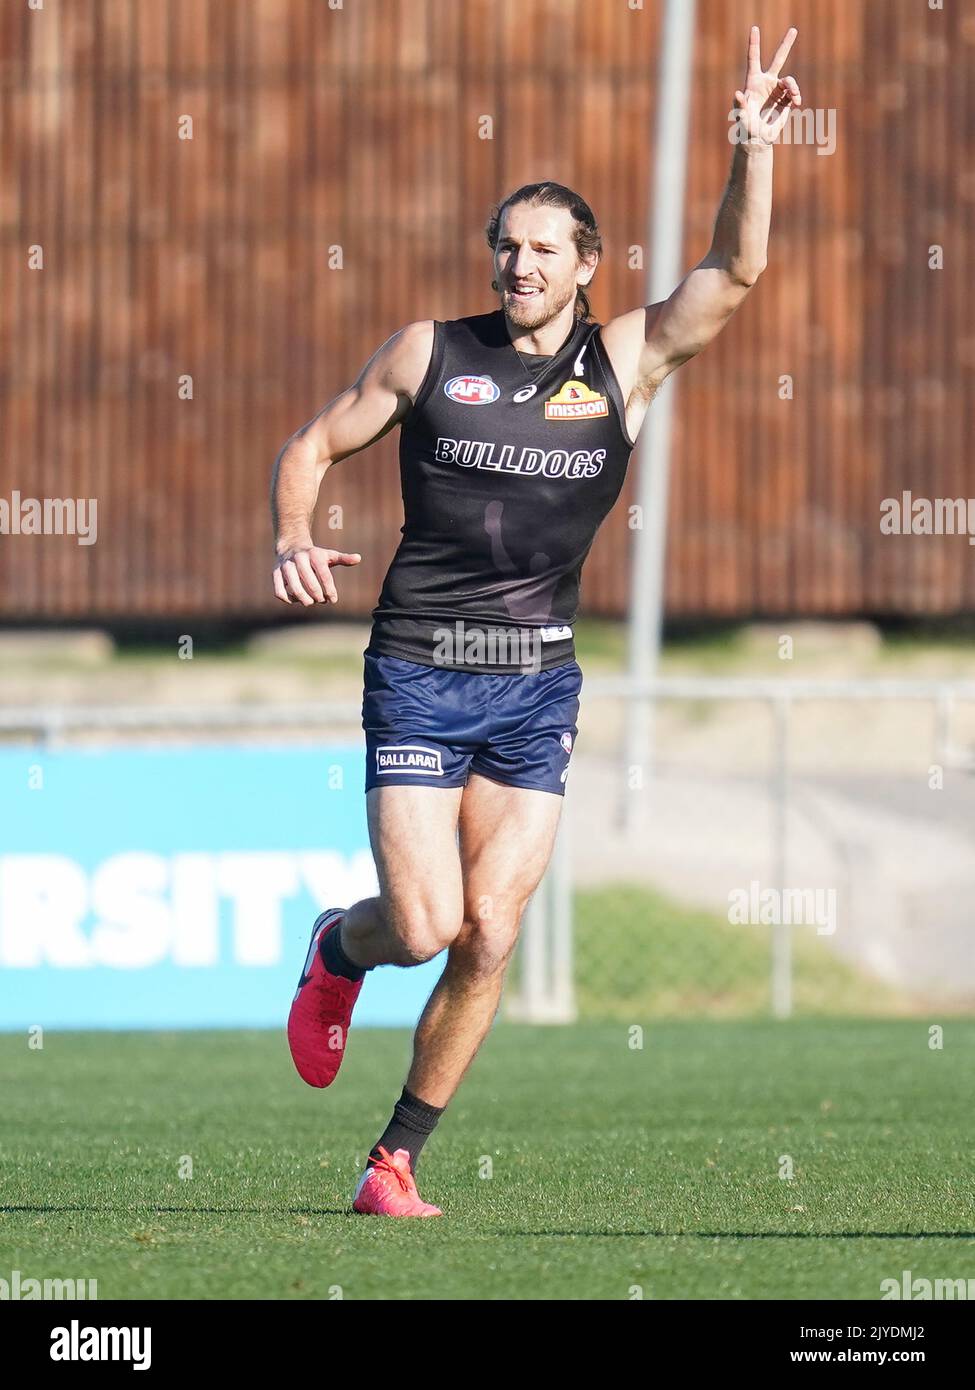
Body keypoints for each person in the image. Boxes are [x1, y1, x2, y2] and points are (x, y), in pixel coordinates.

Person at [270, 26, 800, 1217]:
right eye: (506, 245)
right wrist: (293, 534)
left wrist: (752, 149)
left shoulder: (626, 362)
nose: (520, 264)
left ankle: (394, 1158)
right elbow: (310, 445)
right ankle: (337, 950)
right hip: (416, 669)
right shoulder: (429, 352)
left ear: (586, 267)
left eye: (545, 249)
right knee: (422, 924)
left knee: (491, 932)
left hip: (535, 682)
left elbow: (737, 272)